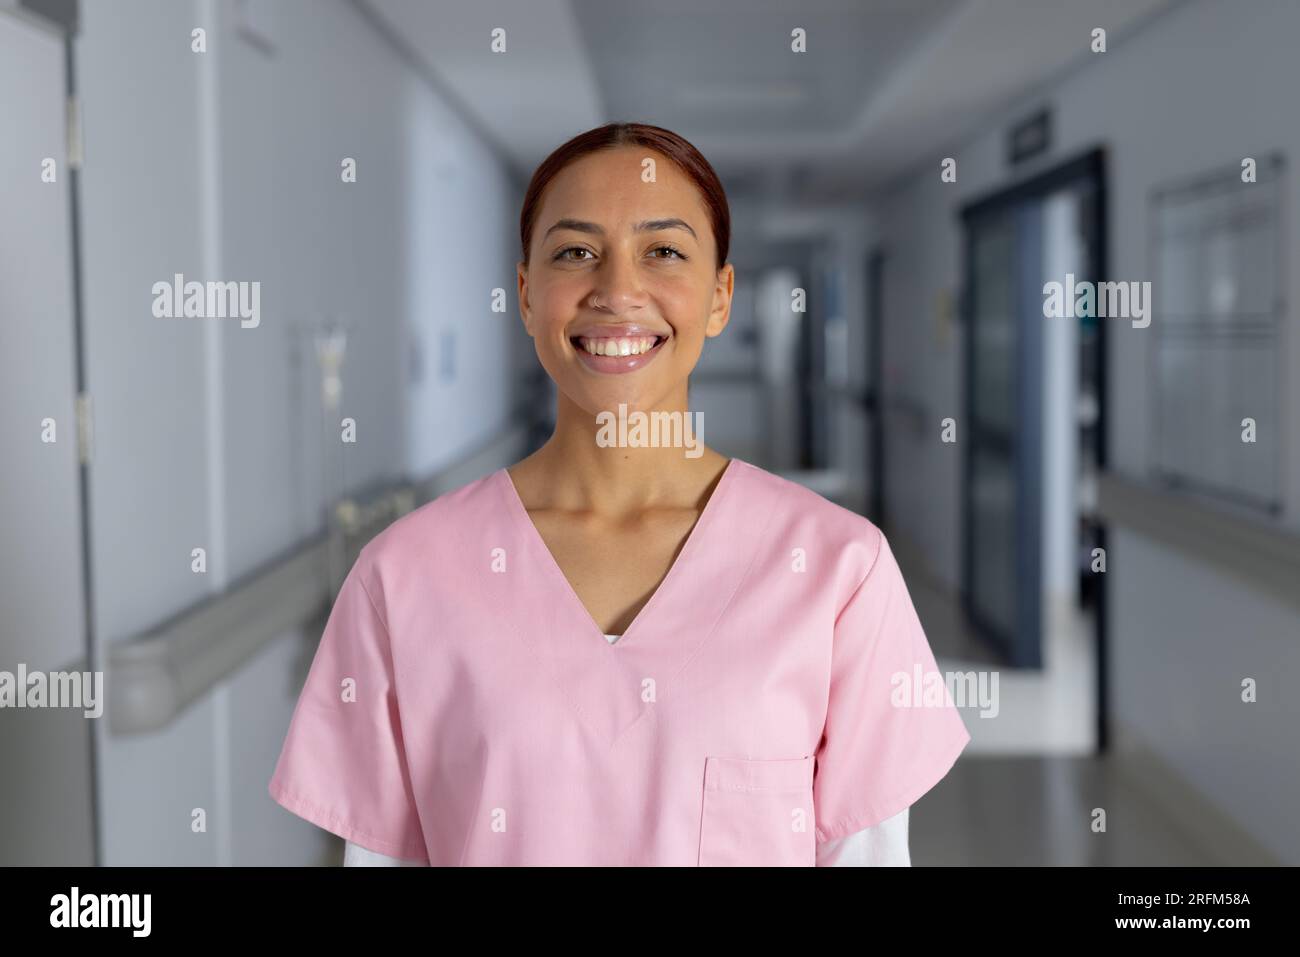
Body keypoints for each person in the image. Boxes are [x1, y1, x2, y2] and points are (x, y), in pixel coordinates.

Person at [268, 122, 970, 866]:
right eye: (576, 252)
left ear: (720, 296)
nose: (618, 291)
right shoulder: (402, 576)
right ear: (528, 293)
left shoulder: (837, 571)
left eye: (663, 251)